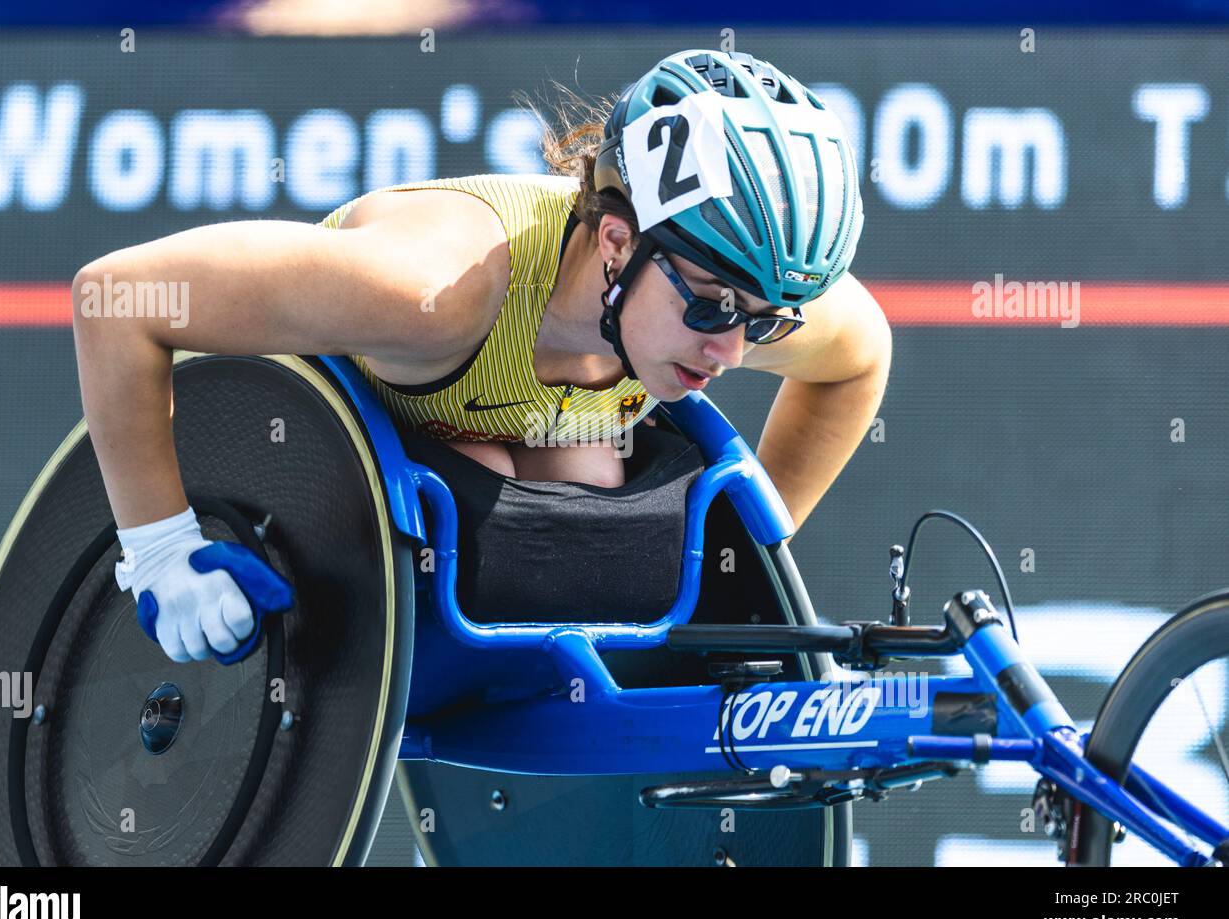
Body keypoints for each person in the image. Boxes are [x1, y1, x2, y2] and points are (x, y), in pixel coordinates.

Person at [72, 49, 891, 663]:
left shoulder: (736, 285)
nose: (732, 351)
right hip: (307, 488)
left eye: (766, 321)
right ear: (616, 242)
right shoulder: (435, 290)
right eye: (711, 305)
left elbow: (858, 358)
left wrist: (733, 563)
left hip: (500, 520)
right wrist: (160, 551)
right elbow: (114, 298)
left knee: (603, 484)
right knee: (501, 472)